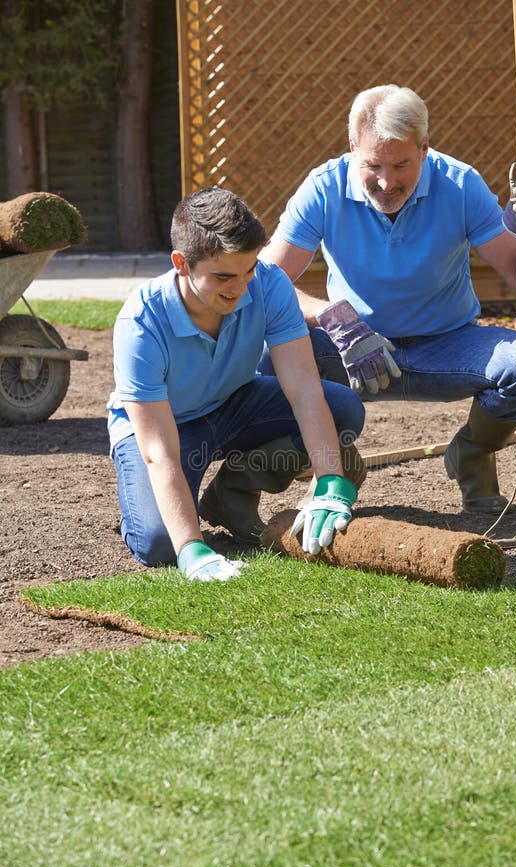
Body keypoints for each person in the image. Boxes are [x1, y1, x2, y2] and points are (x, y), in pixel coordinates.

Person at [259, 84, 516, 514]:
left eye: (401, 164)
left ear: (424, 147)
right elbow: (264, 281)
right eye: (372, 165)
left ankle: (473, 454)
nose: (386, 181)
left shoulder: (460, 184)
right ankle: (336, 461)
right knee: (269, 359)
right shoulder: (324, 188)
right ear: (351, 148)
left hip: (447, 346)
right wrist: (331, 316)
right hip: (351, 348)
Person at [107, 187, 366, 583]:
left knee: (343, 408)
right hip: (167, 428)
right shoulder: (140, 323)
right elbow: (159, 451)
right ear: (181, 263)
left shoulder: (268, 282)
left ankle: (232, 490)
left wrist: (331, 479)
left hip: (235, 403)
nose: (241, 287)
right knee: (160, 545)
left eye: (248, 270)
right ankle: (146, 510)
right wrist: (193, 549)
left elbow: (304, 390)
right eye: (224, 277)